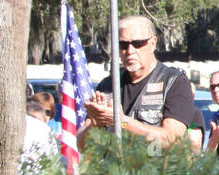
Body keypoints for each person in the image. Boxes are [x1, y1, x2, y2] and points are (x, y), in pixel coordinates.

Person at [80, 15, 197, 150]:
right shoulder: (108, 86)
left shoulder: (174, 82)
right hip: (114, 169)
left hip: (156, 169)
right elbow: (82, 146)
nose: (130, 51)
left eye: (138, 43)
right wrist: (95, 125)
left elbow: (172, 139)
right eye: (123, 45)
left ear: (153, 43)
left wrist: (122, 122)